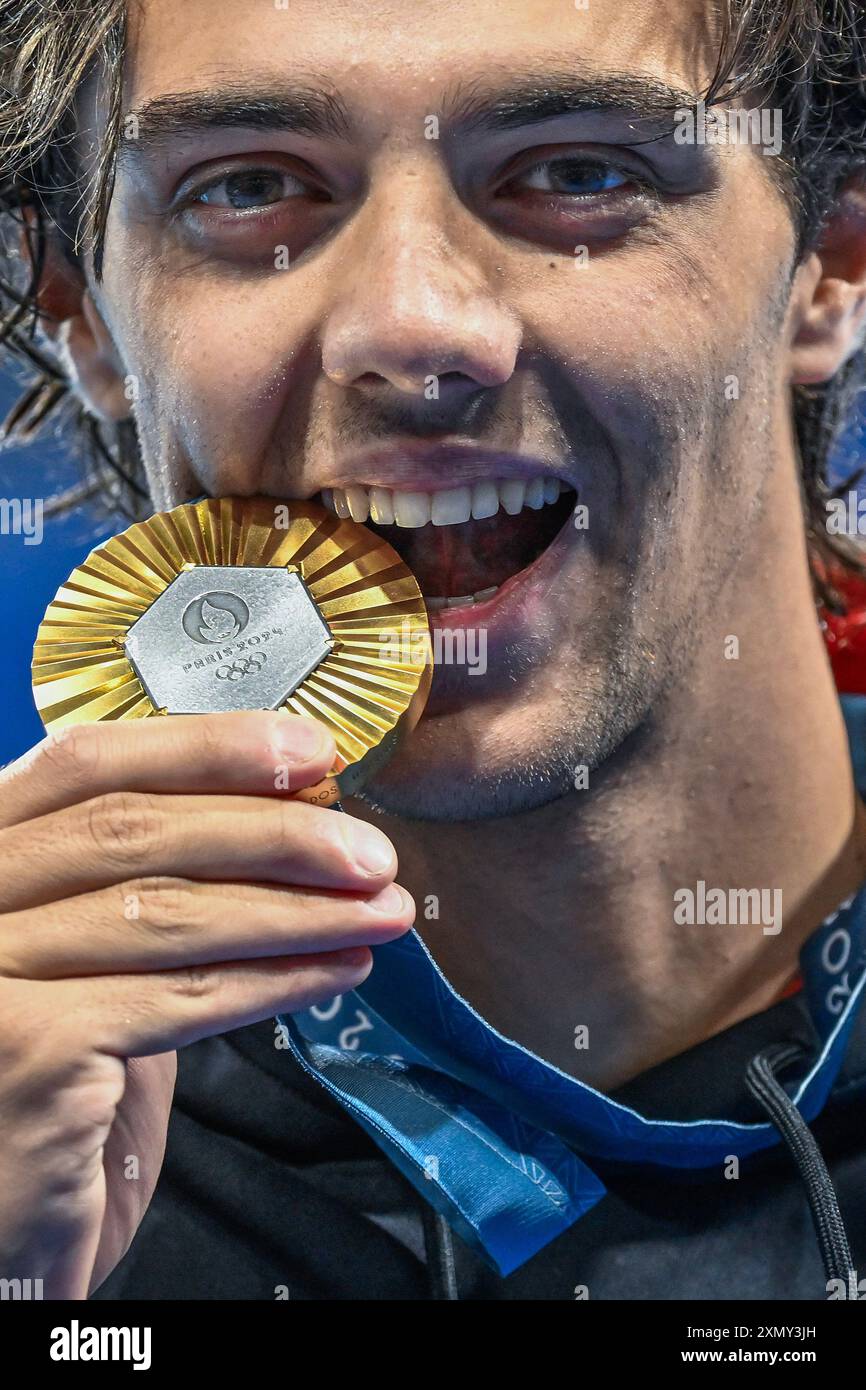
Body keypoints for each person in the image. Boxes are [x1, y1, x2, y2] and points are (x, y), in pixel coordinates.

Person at [1, 0, 866, 1301]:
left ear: (833, 262)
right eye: (247, 188)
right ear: (80, 310)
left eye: (579, 171)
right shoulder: (51, 1179)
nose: (410, 330)